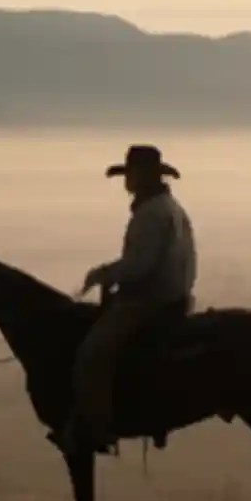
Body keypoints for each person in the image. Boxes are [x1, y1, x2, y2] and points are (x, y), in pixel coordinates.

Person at [65, 144, 197, 454]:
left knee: (93, 351)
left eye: (132, 174)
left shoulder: (151, 214)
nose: (127, 180)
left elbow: (140, 266)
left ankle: (97, 427)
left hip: (151, 301)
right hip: (174, 296)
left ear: (144, 177)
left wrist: (103, 274)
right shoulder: (169, 207)